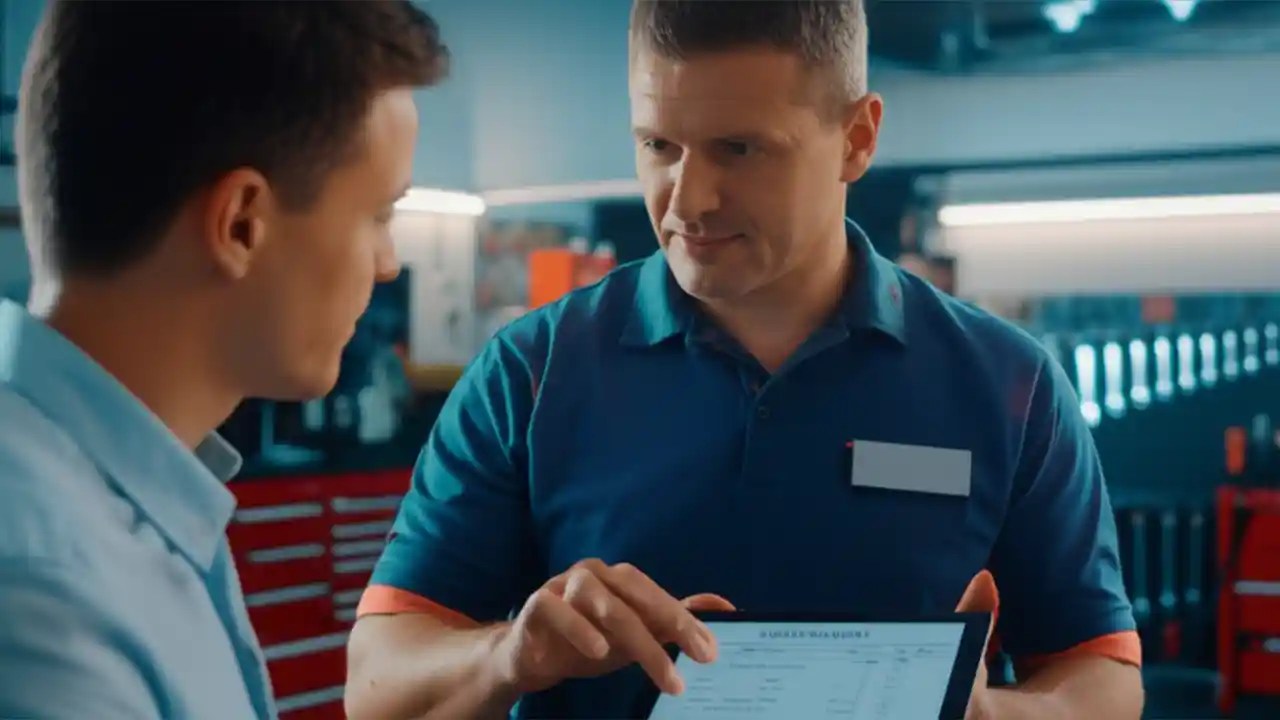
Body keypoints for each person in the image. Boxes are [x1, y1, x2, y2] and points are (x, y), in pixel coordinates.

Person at [346, 1, 1145, 719]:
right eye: (659, 144)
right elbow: (376, 686)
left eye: (739, 149)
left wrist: (999, 718)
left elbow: (1099, 672)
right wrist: (507, 656)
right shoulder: (531, 372)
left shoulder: (1010, 383)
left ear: (857, 139)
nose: (688, 199)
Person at [0, 2, 447, 718]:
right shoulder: (43, 597)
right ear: (241, 223)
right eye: (378, 216)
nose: (389, 264)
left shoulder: (131, 498)